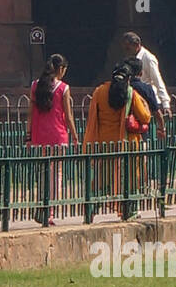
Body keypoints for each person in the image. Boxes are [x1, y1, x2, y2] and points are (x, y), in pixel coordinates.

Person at [84, 60, 152, 217]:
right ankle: (129, 211)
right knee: (130, 180)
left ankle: (91, 211)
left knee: (101, 180)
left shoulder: (99, 92)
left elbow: (94, 117)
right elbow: (145, 117)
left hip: (105, 144)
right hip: (127, 145)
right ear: (129, 78)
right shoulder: (131, 93)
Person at [27, 53, 77, 226]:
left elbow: (30, 114)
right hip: (58, 136)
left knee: (42, 173)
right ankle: (49, 211)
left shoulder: (35, 86)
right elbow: (68, 117)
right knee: (56, 175)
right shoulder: (63, 88)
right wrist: (75, 136)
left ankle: (41, 207)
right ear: (61, 69)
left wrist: (28, 135)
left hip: (39, 136)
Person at [123, 30, 169, 116]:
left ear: (136, 45)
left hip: (148, 100)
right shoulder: (131, 57)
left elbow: (157, 81)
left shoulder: (148, 58)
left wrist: (165, 103)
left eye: (128, 48)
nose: (126, 51)